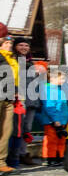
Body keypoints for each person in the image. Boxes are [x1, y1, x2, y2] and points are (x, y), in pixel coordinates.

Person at [8, 37, 42, 167]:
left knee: (26, 129)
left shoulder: (30, 62)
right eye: (21, 45)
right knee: (15, 129)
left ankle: (22, 153)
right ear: (15, 47)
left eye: (26, 46)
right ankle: (13, 155)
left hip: (31, 100)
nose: (24, 48)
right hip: (18, 100)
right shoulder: (13, 61)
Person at [41, 69, 68, 166]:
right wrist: (55, 120)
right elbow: (50, 107)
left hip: (62, 120)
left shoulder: (59, 90)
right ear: (53, 78)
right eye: (61, 78)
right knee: (51, 140)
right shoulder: (48, 90)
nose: (63, 80)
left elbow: (64, 106)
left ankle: (60, 156)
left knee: (61, 139)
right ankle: (50, 158)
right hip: (53, 121)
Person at [0, 27, 16, 174]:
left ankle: (1, 161)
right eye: (5, 40)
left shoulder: (10, 57)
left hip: (8, 97)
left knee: (7, 129)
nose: (8, 43)